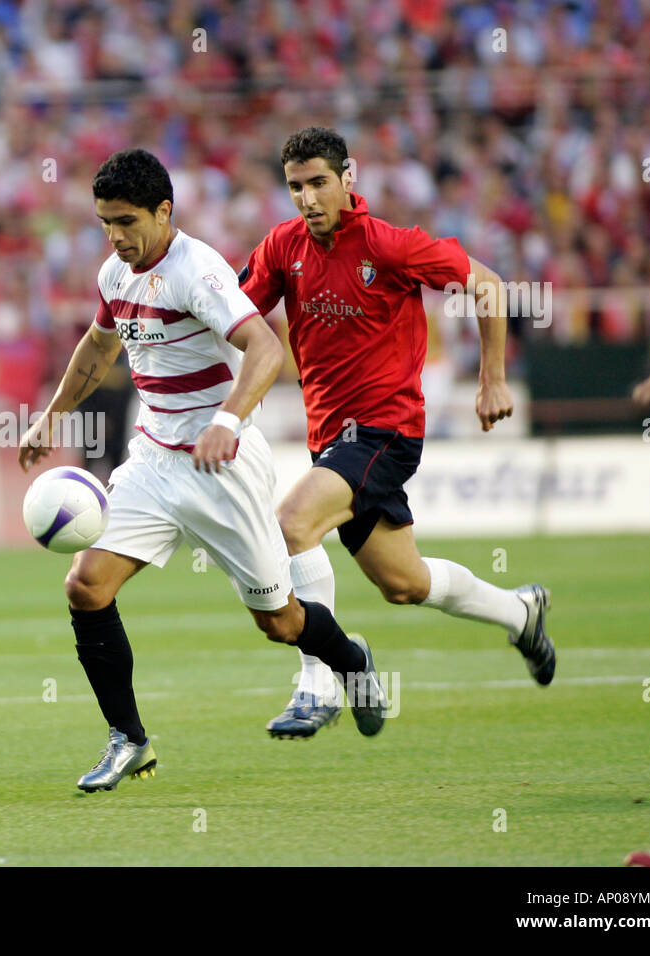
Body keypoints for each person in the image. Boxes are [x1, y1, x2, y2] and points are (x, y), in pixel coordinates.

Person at [18, 148, 387, 793]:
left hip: (223, 466)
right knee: (86, 587)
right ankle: (129, 741)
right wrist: (52, 415)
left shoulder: (199, 271)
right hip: (154, 460)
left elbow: (266, 348)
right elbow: (101, 344)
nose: (116, 236)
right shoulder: (115, 273)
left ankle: (352, 661)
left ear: (164, 212)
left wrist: (228, 421)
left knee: (279, 622)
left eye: (127, 221)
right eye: (105, 222)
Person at [237, 127, 556, 739]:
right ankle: (520, 613)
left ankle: (321, 682)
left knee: (292, 524)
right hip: (332, 438)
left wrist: (493, 379)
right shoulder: (283, 247)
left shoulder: (388, 245)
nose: (307, 198)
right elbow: (236, 313)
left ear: (347, 178)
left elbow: (487, 285)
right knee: (404, 584)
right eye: (295, 187)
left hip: (385, 430)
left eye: (318, 184)